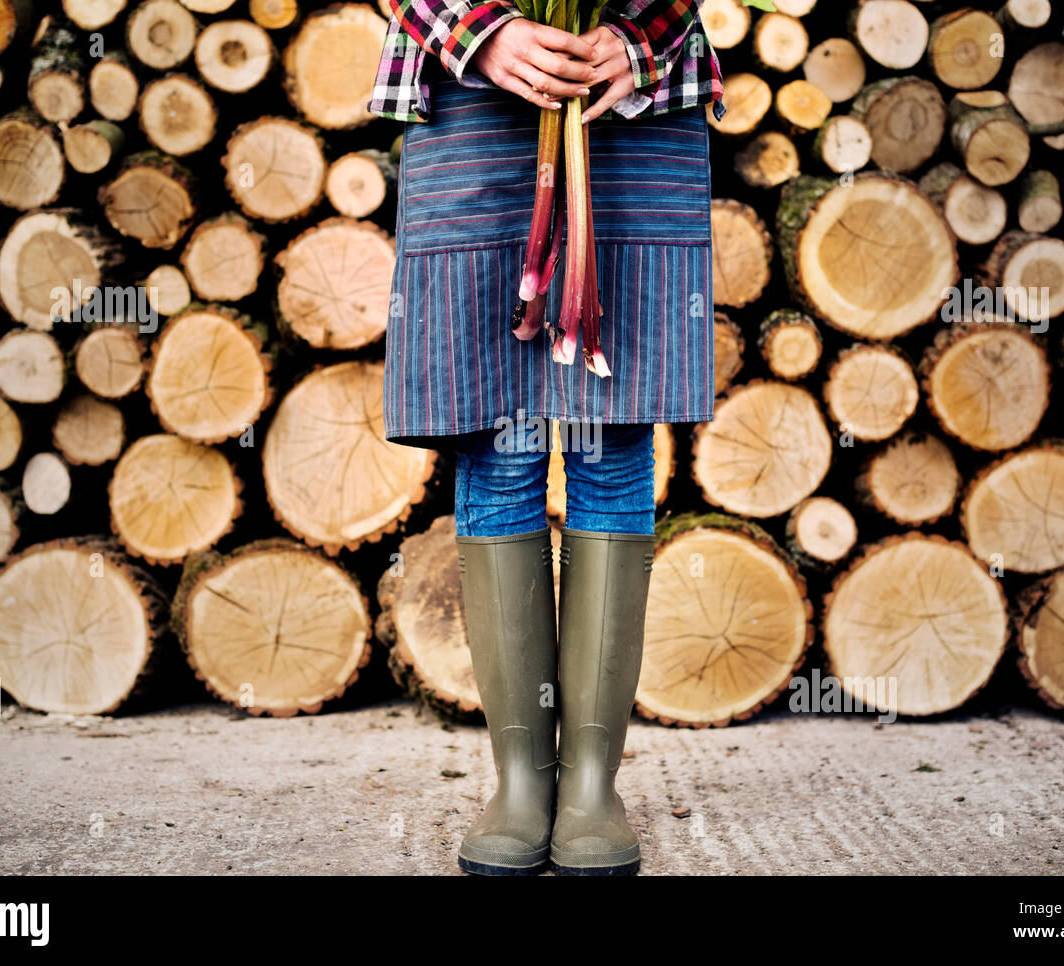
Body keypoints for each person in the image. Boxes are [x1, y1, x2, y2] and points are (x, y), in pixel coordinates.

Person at [368, 0, 725, 876]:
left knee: (616, 431)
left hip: (631, 100)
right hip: (473, 94)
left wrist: (635, 39)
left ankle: (594, 782)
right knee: (499, 440)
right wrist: (480, 34)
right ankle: (522, 778)